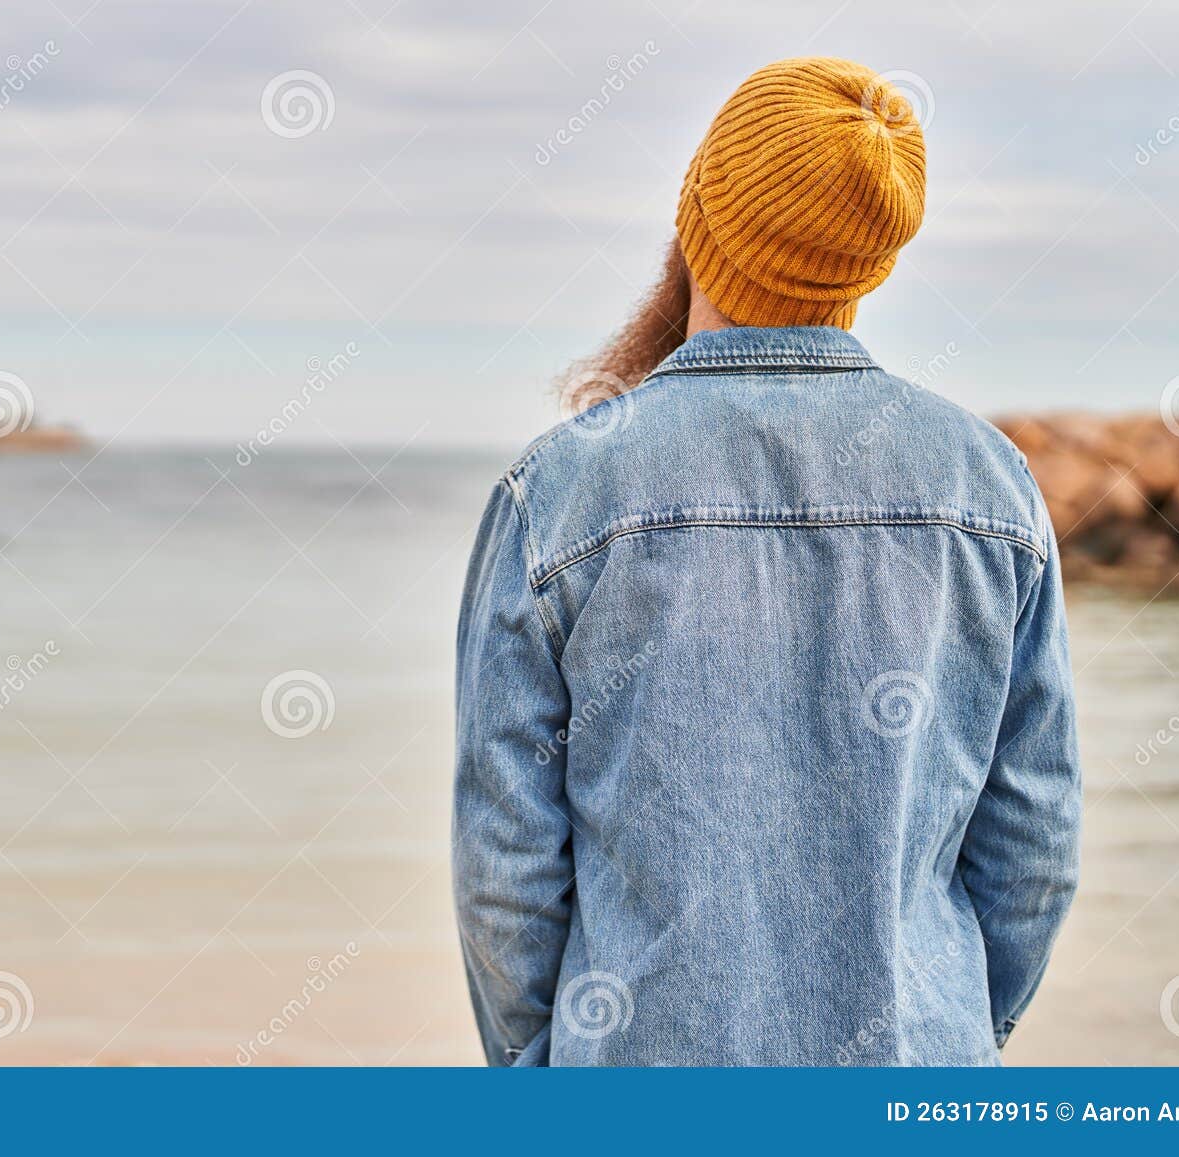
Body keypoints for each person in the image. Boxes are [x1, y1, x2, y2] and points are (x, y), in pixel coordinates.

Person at [452, 57, 1081, 1066]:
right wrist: (953, 1029)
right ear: (868, 263)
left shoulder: (562, 489)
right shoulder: (988, 485)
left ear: (697, 214)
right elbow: (1033, 845)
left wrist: (543, 1071)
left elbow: (505, 867)